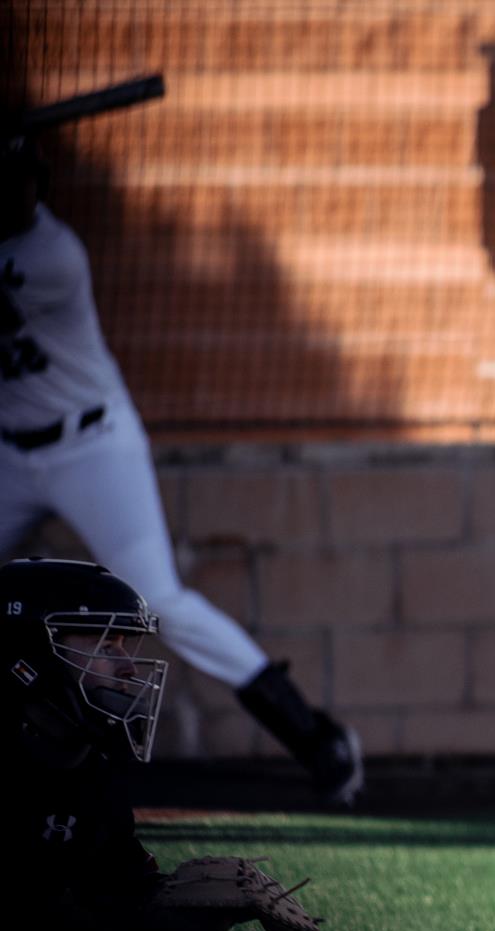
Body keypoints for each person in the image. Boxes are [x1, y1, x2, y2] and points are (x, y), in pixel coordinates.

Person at [0, 130, 361, 807]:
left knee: (159, 601)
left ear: (38, 185)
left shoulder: (56, 255)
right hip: (7, 454)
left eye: (21, 179)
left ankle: (316, 739)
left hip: (92, 446)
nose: (13, 192)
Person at [5, 556, 322, 931]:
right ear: (27, 657)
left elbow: (121, 897)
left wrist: (205, 909)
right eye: (106, 644)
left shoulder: (89, 773)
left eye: (124, 644)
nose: (128, 668)